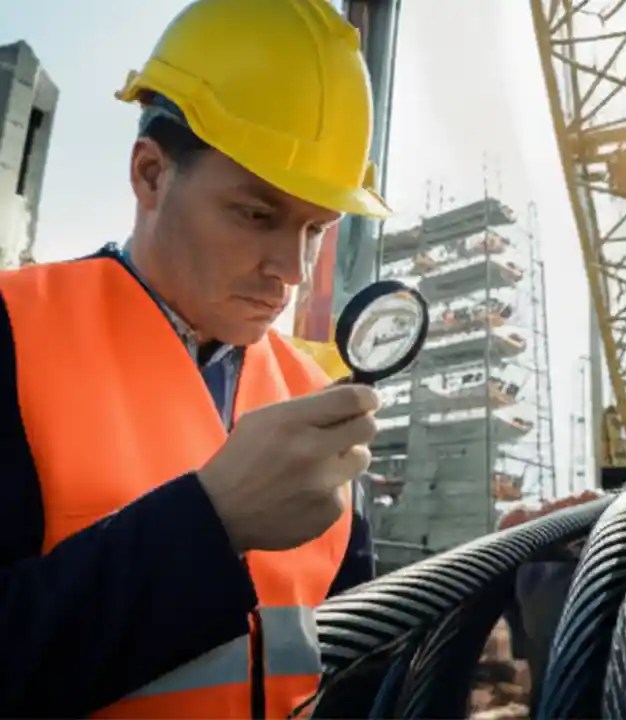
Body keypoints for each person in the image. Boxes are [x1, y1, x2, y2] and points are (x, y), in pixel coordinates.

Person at [0, 1, 393, 716]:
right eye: (256, 214)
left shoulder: (310, 391)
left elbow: (348, 640)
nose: (293, 268)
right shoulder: (12, 329)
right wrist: (210, 526)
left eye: (316, 228)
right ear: (151, 175)